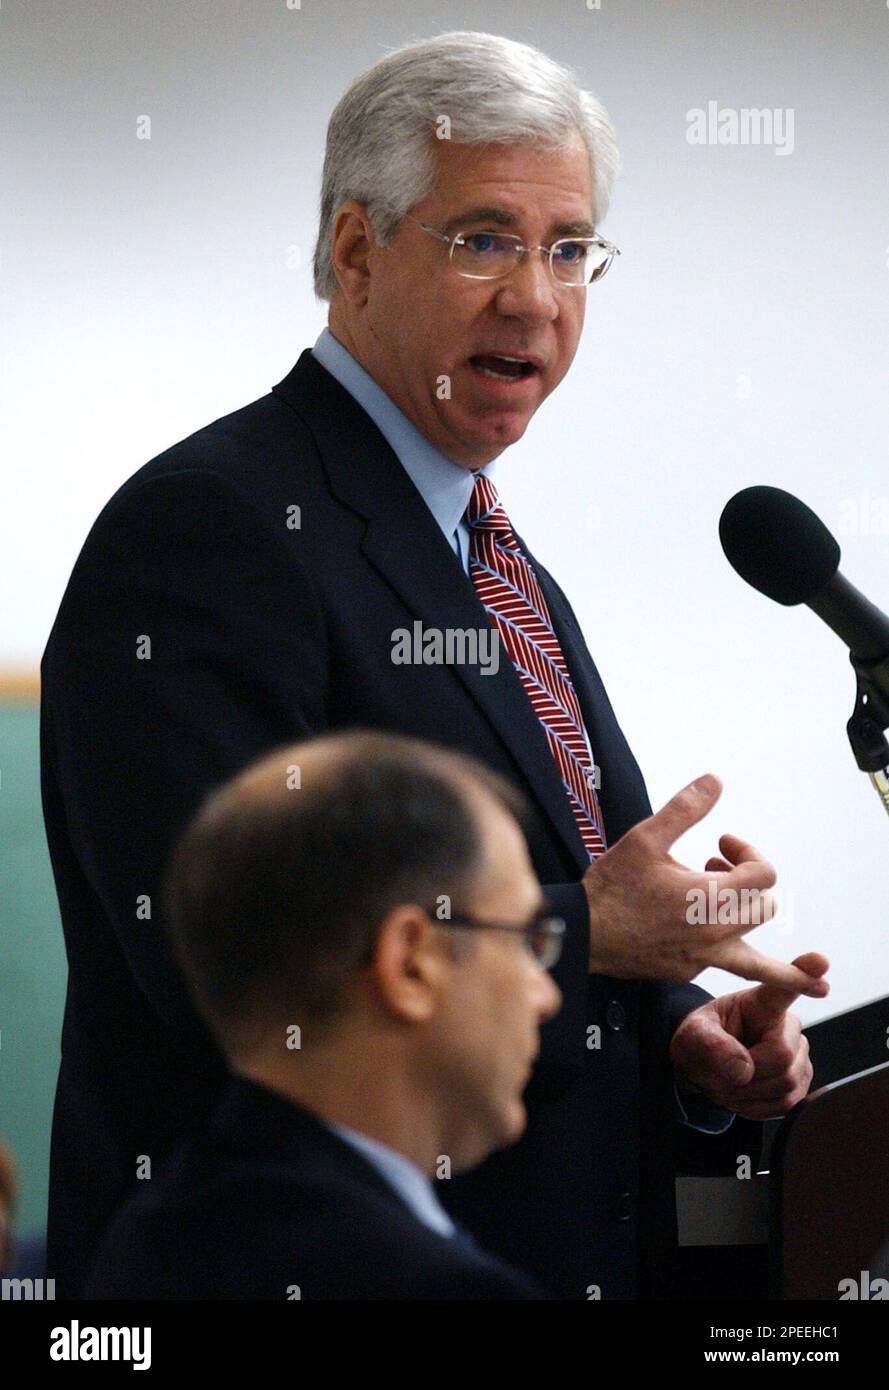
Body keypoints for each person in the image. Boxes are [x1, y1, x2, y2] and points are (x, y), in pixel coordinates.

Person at [41, 30, 826, 1300]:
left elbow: (584, 892)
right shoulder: (214, 529)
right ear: (355, 252)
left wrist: (684, 1025)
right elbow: (219, 961)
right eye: (485, 241)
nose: (536, 297)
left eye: (570, 251)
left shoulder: (493, 555)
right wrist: (597, 936)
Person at [83, 731, 554, 1299]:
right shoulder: (438, 1288)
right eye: (526, 939)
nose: (546, 995)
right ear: (411, 965)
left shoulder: (142, 1244)